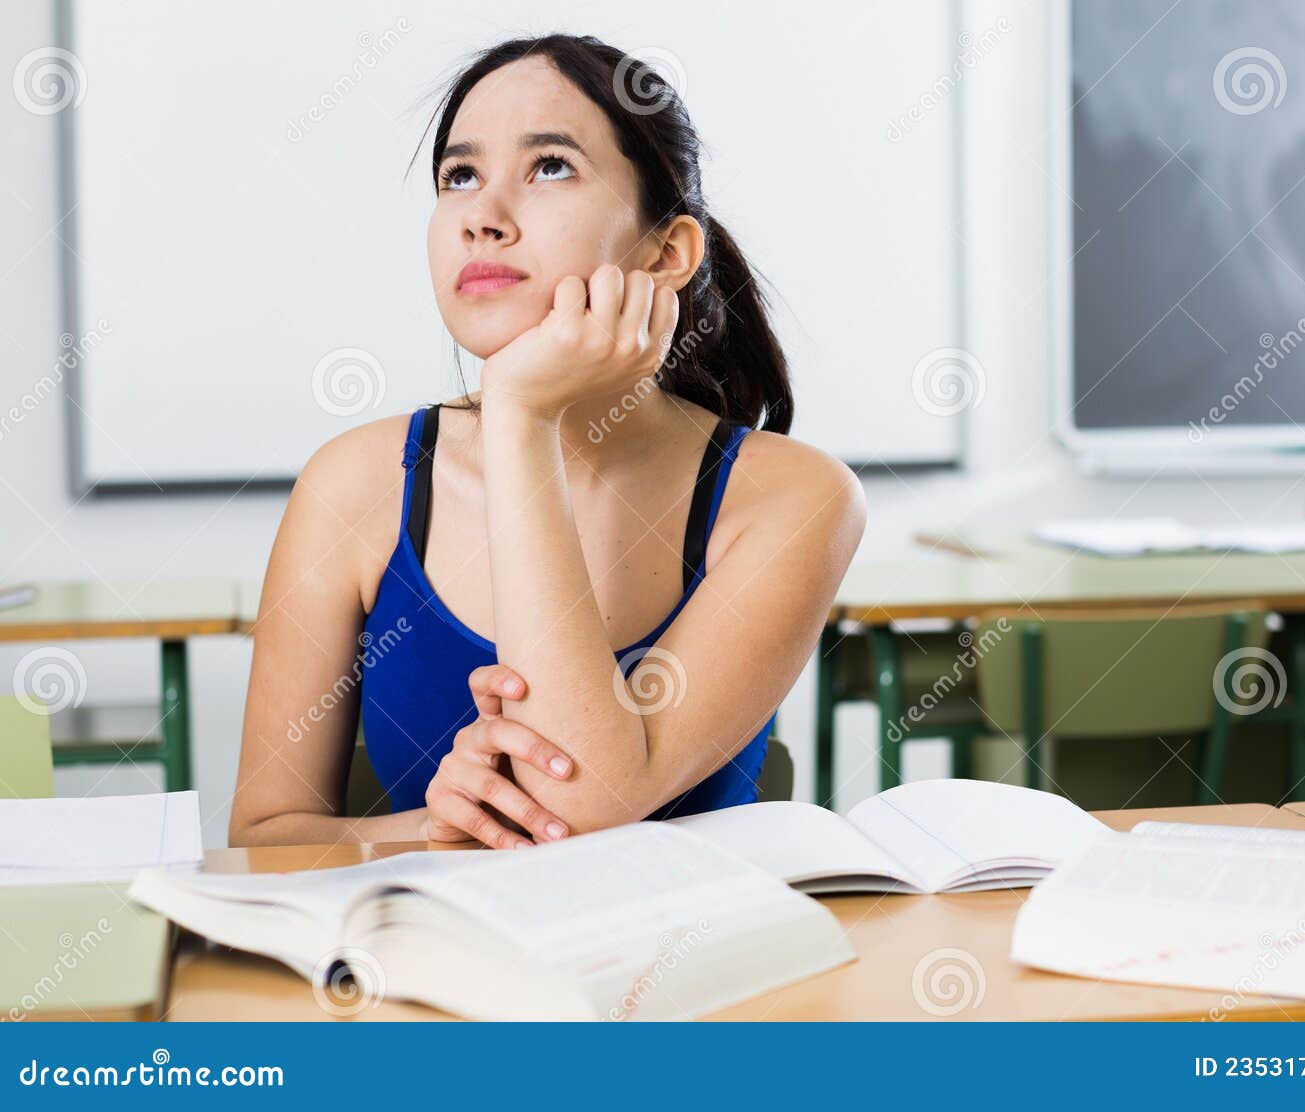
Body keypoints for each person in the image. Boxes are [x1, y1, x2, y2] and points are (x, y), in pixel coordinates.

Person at [229, 34, 865, 849]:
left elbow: (585, 803)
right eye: (461, 176)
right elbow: (263, 837)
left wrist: (520, 418)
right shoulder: (352, 485)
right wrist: (430, 828)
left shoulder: (796, 498)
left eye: (551, 166)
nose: (483, 218)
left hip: (695, 933)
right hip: (428, 936)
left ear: (667, 251)